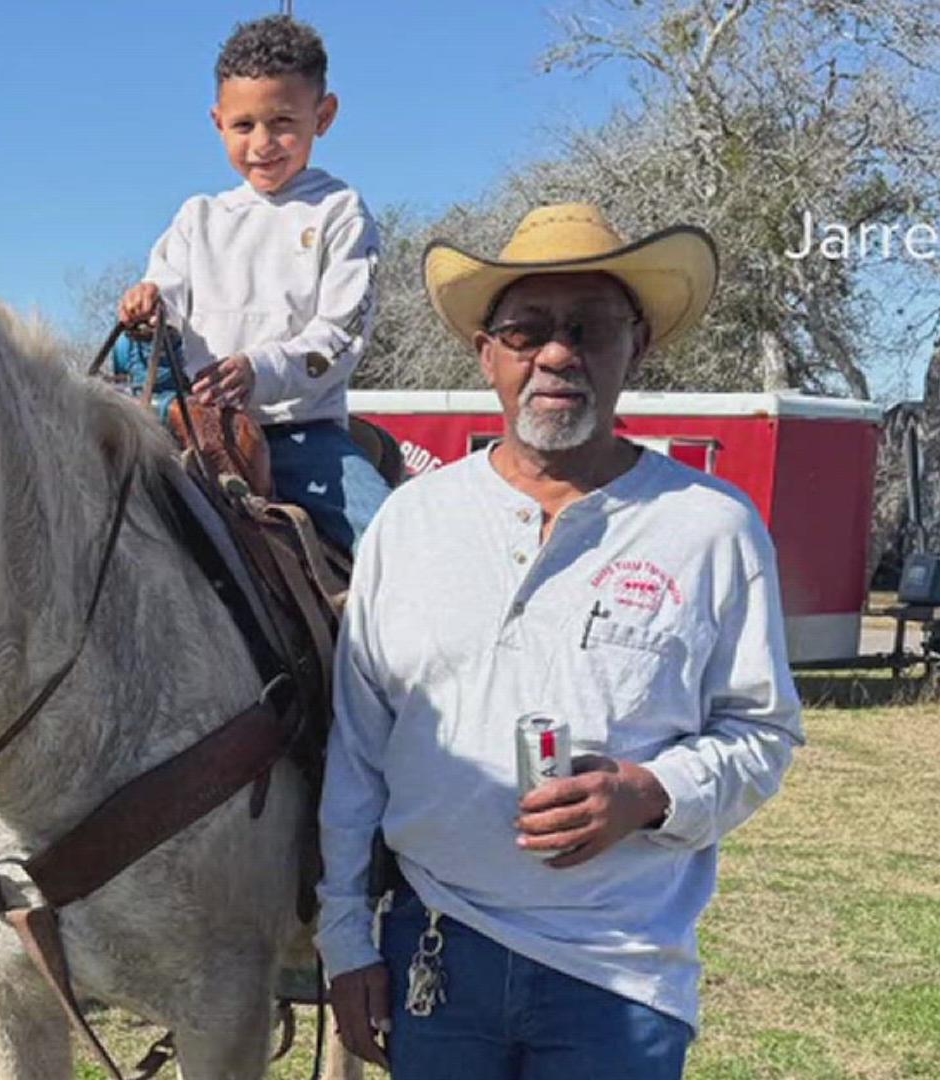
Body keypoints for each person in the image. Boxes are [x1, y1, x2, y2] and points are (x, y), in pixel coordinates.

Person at [316, 204, 804, 1079]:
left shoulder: (710, 528)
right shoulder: (412, 524)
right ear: (487, 353)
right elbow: (357, 749)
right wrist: (347, 938)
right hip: (435, 946)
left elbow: (763, 734)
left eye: (590, 328)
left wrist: (649, 791)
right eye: (526, 329)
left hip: (619, 975)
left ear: (637, 346)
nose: (557, 354)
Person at [116, 13, 388, 552]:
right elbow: (165, 293)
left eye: (283, 121)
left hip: (299, 434)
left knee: (392, 540)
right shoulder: (198, 217)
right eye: (244, 126)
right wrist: (146, 311)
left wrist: (257, 371)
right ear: (219, 122)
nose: (263, 143)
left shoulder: (339, 212)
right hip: (190, 431)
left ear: (324, 115)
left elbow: (339, 337)